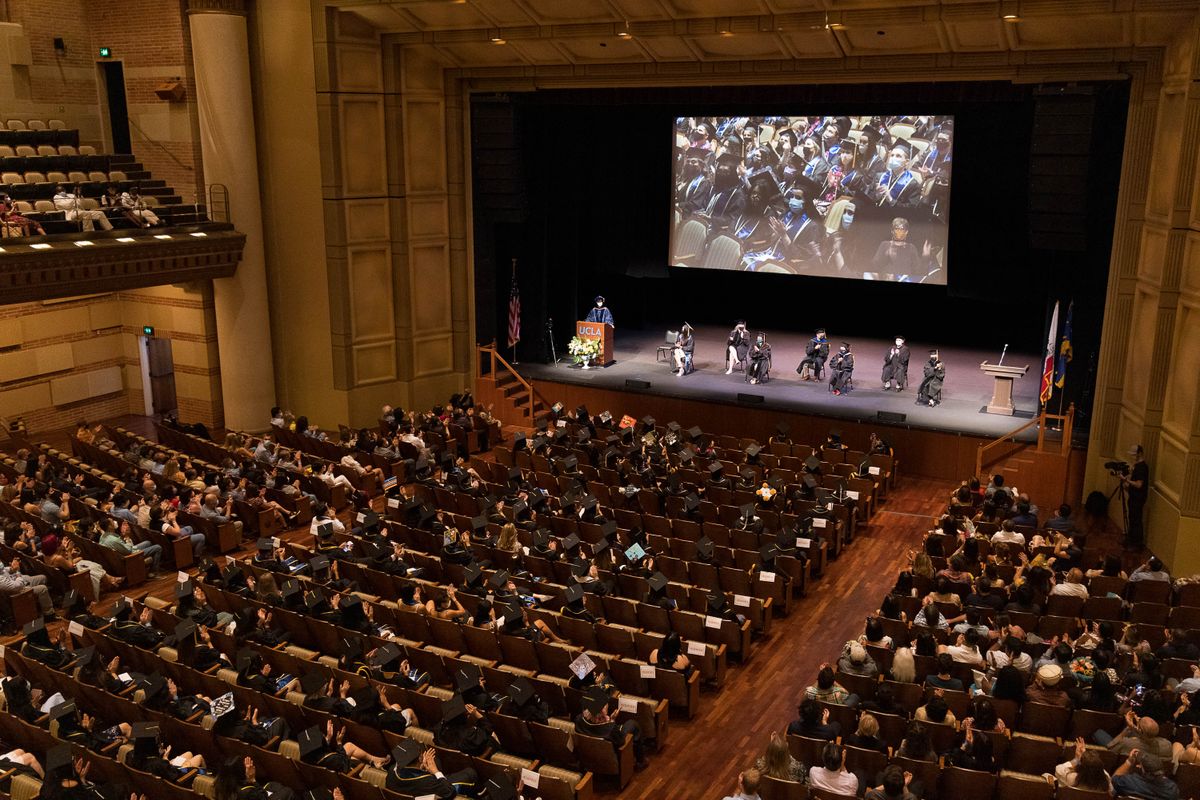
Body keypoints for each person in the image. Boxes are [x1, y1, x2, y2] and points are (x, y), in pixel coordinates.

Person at [1111, 750, 1179, 800]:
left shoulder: (1129, 782)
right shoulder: (1172, 789)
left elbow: (1114, 779)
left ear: (1142, 769)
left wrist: (1129, 761)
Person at [1123, 445, 1149, 549]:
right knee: (1132, 518)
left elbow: (1139, 484)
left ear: (1140, 453)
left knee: (1136, 520)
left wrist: (1126, 480)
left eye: (1134, 455)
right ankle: (1131, 540)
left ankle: (1136, 543)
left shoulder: (1141, 467)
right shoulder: (1137, 466)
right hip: (1134, 497)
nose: (1133, 457)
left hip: (1138, 498)